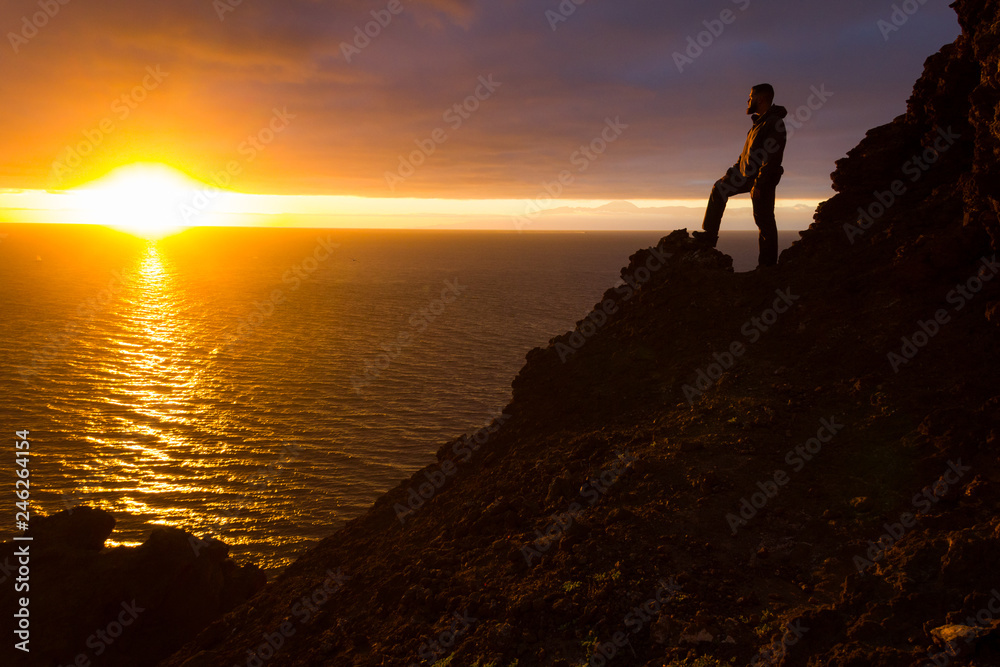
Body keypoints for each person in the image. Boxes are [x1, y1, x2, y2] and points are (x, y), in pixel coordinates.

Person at [692, 83, 787, 268]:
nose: (748, 100)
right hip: (745, 175)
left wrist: (759, 183)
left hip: (762, 178)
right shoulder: (758, 124)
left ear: (760, 99)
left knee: (764, 220)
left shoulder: (774, 123)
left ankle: (767, 267)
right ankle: (709, 236)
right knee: (719, 188)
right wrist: (732, 172)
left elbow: (773, 157)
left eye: (751, 97)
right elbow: (745, 155)